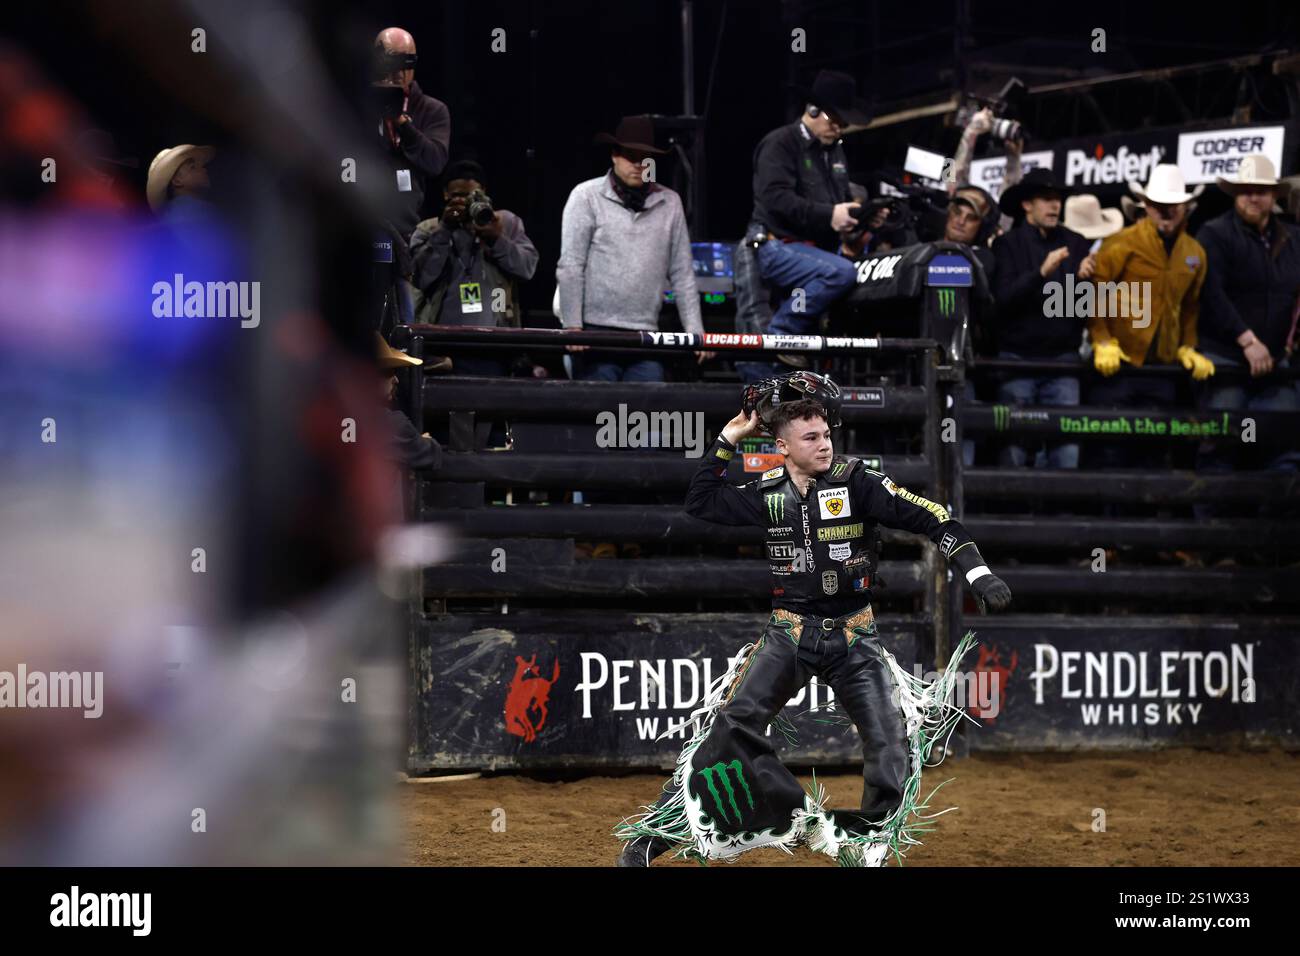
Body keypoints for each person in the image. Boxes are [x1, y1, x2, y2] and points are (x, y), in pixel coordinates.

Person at [614, 375, 1012, 868]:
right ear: (782, 446)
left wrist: (977, 572)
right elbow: (700, 501)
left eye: (826, 436)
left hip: (855, 636)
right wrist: (729, 437)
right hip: (788, 633)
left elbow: (933, 516)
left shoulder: (859, 482)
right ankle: (660, 831)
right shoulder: (766, 491)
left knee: (891, 743)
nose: (824, 445)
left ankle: (866, 845)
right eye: (811, 438)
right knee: (732, 724)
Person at [556, 115, 710, 381]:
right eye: (631, 156)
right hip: (594, 333)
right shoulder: (586, 197)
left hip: (645, 334)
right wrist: (573, 325)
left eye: (645, 158)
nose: (639, 165)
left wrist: (696, 332)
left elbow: (683, 274)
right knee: (599, 415)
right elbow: (571, 265)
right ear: (614, 155)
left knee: (649, 417)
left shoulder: (669, 203)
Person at [1087, 165, 1213, 468]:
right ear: (1146, 206)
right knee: (1111, 451)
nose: (1166, 212)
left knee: (1153, 453)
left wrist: (1188, 345)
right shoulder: (1121, 243)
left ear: (1186, 208)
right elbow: (1093, 293)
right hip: (1119, 365)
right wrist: (1102, 340)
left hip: (1162, 367)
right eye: (1158, 206)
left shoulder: (1194, 252)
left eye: (1172, 206)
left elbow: (1191, 306)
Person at [746, 70, 870, 362]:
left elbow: (837, 204)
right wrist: (830, 215)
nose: (839, 128)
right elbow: (775, 199)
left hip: (814, 251)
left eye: (843, 124)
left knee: (855, 273)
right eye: (834, 120)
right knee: (841, 272)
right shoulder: (780, 143)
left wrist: (859, 217)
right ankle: (783, 330)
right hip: (777, 246)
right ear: (813, 109)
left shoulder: (835, 153)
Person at [1195, 154, 1300, 475]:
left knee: (1282, 447)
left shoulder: (1293, 238)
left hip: (1274, 363)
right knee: (1223, 445)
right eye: (1246, 190)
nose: (1253, 197)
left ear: (1274, 196)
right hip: (1227, 359)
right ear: (1235, 195)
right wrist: (1247, 340)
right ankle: (1214, 523)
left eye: (1261, 191)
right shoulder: (1214, 233)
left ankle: (1268, 524)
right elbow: (1211, 293)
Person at [991, 168, 1093, 469]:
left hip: (1062, 361)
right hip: (1016, 361)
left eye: (1057, 199)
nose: (1054, 205)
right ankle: (1012, 515)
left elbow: (1081, 309)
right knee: (1014, 450)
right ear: (1026, 204)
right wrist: (1040, 274)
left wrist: (1088, 281)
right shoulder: (1007, 245)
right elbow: (1002, 301)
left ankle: (1063, 515)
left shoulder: (1077, 243)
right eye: (1046, 199)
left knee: (1066, 452)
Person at [409, 159, 539, 377]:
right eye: (457, 195)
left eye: (471, 196)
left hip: (494, 342)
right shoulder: (429, 229)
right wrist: (444, 231)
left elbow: (527, 269)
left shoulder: (504, 222)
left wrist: (497, 238)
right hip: (441, 346)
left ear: (483, 193)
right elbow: (420, 278)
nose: (464, 201)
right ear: (445, 195)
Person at [372, 27, 451, 239]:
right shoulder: (357, 104)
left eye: (405, 63)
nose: (397, 73)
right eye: (390, 62)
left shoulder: (432, 110)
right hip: (361, 225)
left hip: (410, 229)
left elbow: (435, 163)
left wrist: (402, 124)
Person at [378, 333, 442, 471]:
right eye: (388, 372)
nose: (396, 380)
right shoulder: (391, 423)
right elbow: (429, 455)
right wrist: (422, 441)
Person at [146, 144, 216, 224]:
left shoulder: (171, 214)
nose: (203, 169)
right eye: (192, 167)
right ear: (177, 181)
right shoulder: (196, 212)